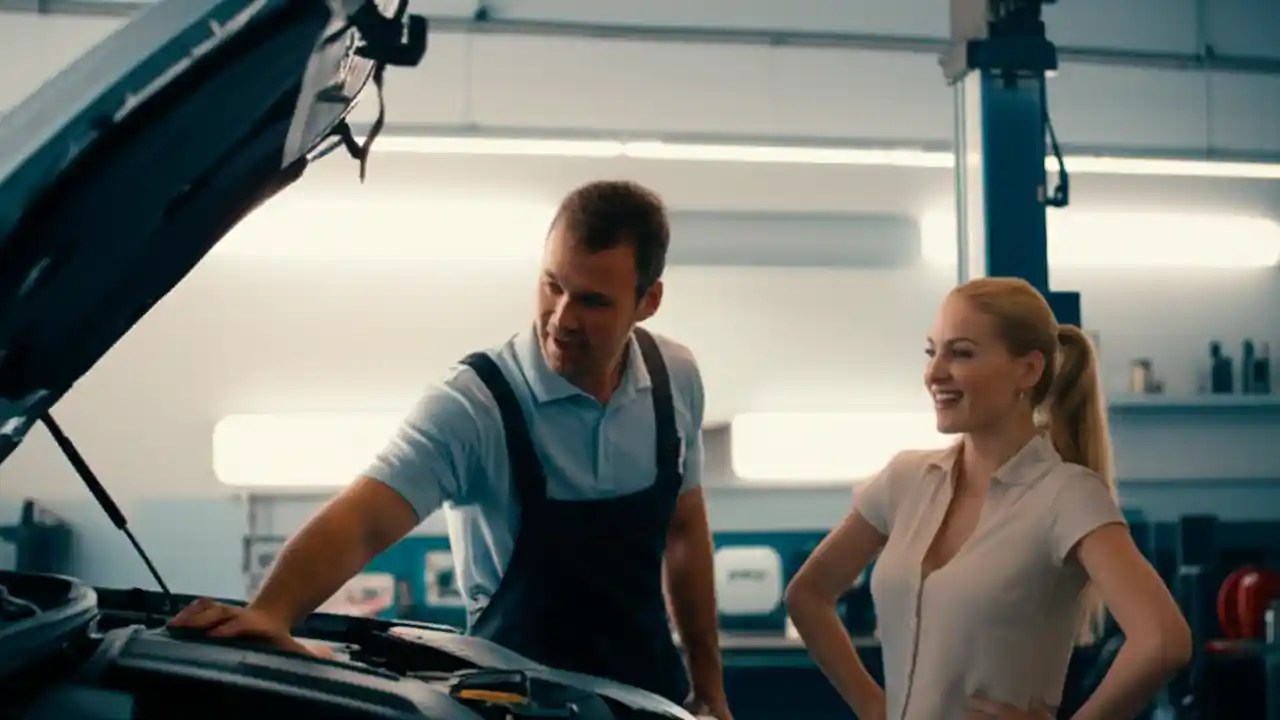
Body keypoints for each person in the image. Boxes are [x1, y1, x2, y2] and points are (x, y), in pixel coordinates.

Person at [170, 180, 732, 719]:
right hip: (516, 705)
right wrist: (274, 611)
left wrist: (709, 692)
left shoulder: (673, 378)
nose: (562, 320)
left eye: (592, 301)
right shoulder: (476, 404)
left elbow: (684, 528)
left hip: (651, 699)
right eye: (551, 285)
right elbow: (364, 518)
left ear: (647, 301)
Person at [784, 277, 1192, 720]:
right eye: (931, 351)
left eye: (960, 353)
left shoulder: (1066, 495)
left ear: (1028, 370)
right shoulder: (905, 479)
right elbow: (808, 594)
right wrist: (870, 703)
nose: (934, 372)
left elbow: (1163, 640)